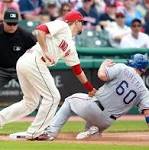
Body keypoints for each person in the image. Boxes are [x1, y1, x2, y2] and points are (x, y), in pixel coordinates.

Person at [0, 10, 96, 140]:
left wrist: (90, 88)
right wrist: (45, 50)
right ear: (75, 21)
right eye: (81, 22)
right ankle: (36, 132)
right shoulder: (62, 25)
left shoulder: (71, 46)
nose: (82, 25)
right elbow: (41, 30)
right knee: (53, 97)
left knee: (30, 102)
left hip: (27, 62)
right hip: (34, 60)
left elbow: (77, 69)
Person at [38, 53, 149, 141]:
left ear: (132, 63)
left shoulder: (123, 68)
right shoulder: (144, 91)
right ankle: (94, 131)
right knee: (92, 137)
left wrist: (103, 64)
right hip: (107, 121)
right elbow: (147, 115)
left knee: (70, 100)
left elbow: (102, 75)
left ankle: (51, 132)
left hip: (95, 107)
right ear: (143, 70)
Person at [0, 9, 36, 89]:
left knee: (33, 92)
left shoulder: (25, 35)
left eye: (14, 23)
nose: (12, 26)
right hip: (1, 69)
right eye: (9, 23)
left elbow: (38, 47)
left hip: (20, 69)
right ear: (3, 22)